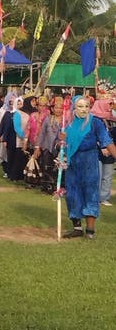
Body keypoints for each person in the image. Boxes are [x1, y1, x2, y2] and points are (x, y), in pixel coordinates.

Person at [61, 95, 116, 239]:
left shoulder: (95, 122)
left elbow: (106, 140)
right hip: (72, 163)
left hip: (89, 161)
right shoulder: (68, 124)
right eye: (80, 106)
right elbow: (61, 145)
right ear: (74, 107)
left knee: (90, 193)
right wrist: (60, 140)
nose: (84, 109)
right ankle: (77, 228)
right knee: (72, 193)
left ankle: (90, 230)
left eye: (86, 106)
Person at [90, 96, 115, 207]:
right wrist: (102, 147)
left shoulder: (111, 119)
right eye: (108, 104)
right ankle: (94, 197)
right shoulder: (94, 119)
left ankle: (104, 197)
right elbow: (93, 136)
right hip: (97, 152)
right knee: (97, 175)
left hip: (110, 152)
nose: (110, 107)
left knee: (108, 175)